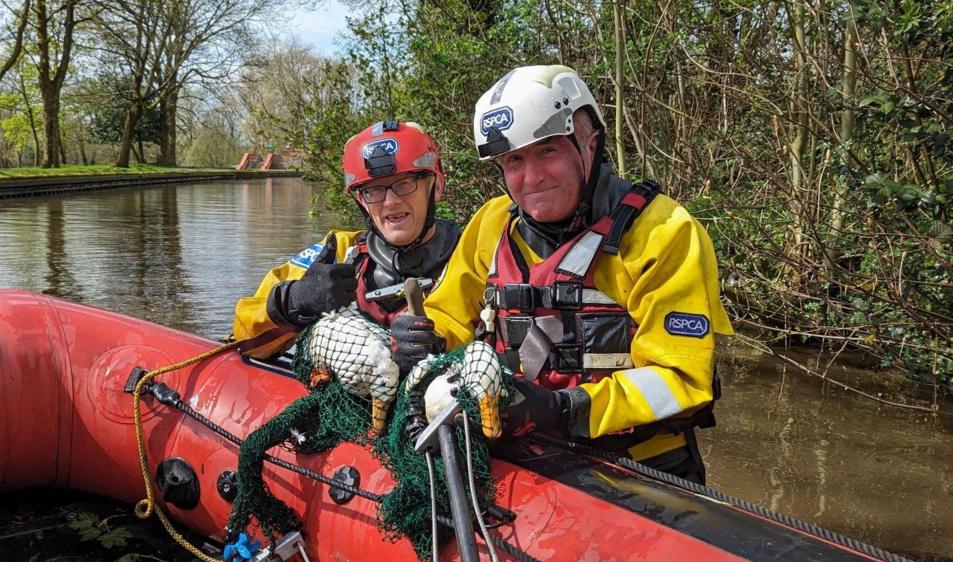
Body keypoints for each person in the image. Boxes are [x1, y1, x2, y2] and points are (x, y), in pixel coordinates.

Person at [403, 65, 733, 483]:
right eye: (514, 160)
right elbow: (450, 316)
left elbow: (682, 380)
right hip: (524, 453)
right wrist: (424, 335)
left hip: (638, 464)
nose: (532, 177)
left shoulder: (664, 232)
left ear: (589, 144)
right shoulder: (492, 223)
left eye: (547, 151)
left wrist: (566, 408)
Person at [233, 120, 459, 366]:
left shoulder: (470, 256)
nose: (390, 201)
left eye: (405, 183)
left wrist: (438, 344)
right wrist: (295, 301)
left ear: (436, 187)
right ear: (361, 201)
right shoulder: (339, 251)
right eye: (374, 190)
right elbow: (243, 337)